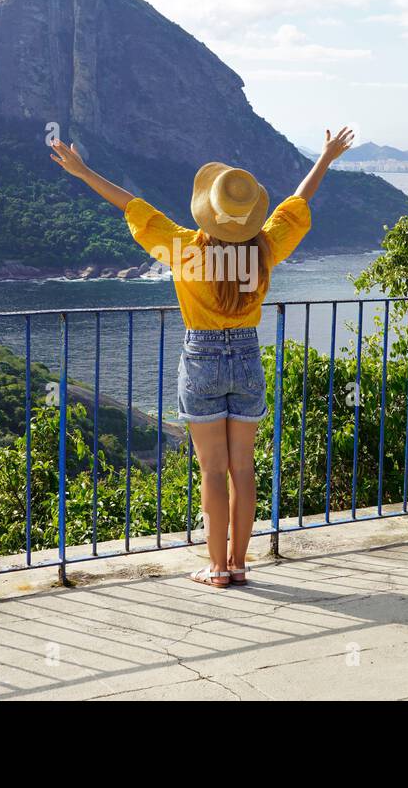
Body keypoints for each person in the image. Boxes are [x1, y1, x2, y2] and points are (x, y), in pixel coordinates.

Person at [48, 127, 355, 587]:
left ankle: (216, 570)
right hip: (248, 356)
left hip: (202, 359)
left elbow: (131, 205)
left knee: (211, 470)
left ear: (209, 211)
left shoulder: (184, 250)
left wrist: (82, 169)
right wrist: (326, 157)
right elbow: (297, 203)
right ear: (249, 214)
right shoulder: (265, 249)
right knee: (243, 469)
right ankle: (239, 563)